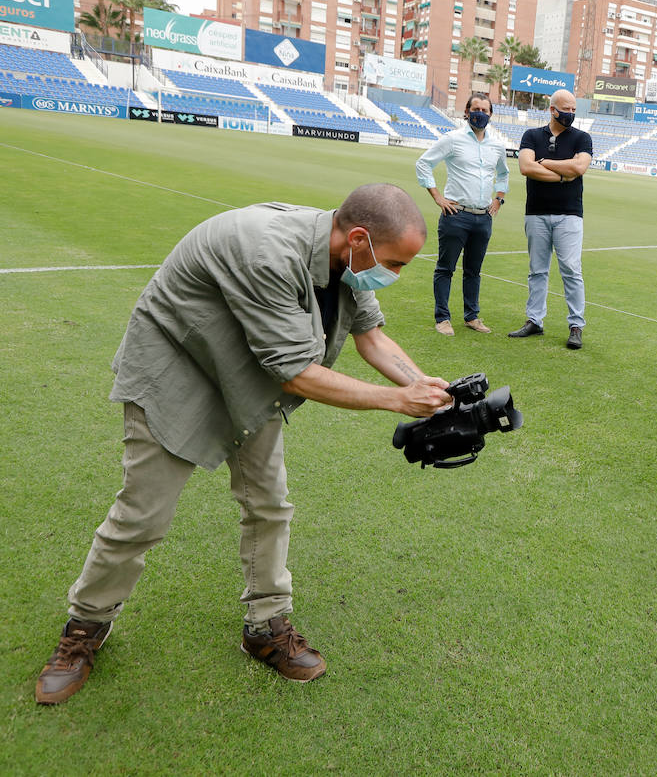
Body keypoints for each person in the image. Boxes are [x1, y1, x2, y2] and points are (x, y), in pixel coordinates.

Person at [35, 184, 455, 705]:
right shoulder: (266, 249)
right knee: (142, 515)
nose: (393, 274)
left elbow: (371, 337)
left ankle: (265, 625)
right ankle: (84, 629)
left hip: (248, 376)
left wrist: (430, 389)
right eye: (395, 263)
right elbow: (296, 372)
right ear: (361, 238)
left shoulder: (347, 256)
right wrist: (398, 401)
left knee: (269, 504)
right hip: (177, 368)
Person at [416, 92, 509, 335]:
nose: (480, 114)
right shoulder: (452, 139)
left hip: (483, 217)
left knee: (473, 271)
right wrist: (438, 197)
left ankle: (471, 316)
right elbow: (423, 163)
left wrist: (499, 199)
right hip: (456, 215)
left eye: (485, 110)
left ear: (490, 115)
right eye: (475, 109)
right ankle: (442, 318)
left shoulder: (497, 146)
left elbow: (504, 174)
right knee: (445, 268)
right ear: (467, 112)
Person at [509, 88, 593, 350]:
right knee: (537, 271)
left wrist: (543, 162)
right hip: (536, 213)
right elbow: (525, 167)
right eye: (565, 109)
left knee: (571, 269)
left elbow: (579, 168)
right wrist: (561, 174)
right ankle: (535, 320)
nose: (569, 114)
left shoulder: (582, 138)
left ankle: (576, 325)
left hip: (569, 215)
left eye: (573, 110)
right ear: (552, 109)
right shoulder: (532, 135)